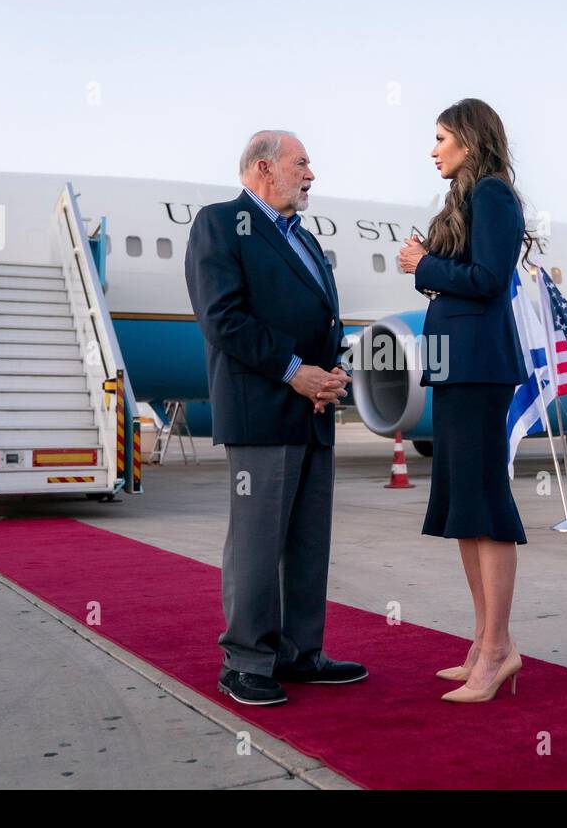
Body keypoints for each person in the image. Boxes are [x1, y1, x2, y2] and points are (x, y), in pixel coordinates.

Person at [184, 130, 367, 707]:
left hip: (312, 410)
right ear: (265, 168)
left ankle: (299, 654)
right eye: (302, 163)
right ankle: (245, 661)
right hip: (262, 410)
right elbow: (223, 319)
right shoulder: (220, 223)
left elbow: (324, 321)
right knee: (257, 544)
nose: (311, 174)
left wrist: (330, 376)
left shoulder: (305, 239)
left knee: (309, 543)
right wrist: (295, 372)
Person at [397, 98, 530, 704]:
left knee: (484, 502)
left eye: (441, 137)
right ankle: (483, 642)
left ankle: (499, 649)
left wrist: (426, 264)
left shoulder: (494, 195)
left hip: (479, 366)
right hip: (455, 367)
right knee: (460, 506)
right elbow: (463, 275)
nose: (433, 149)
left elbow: (490, 280)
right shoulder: (462, 201)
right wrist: (428, 268)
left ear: (470, 142)